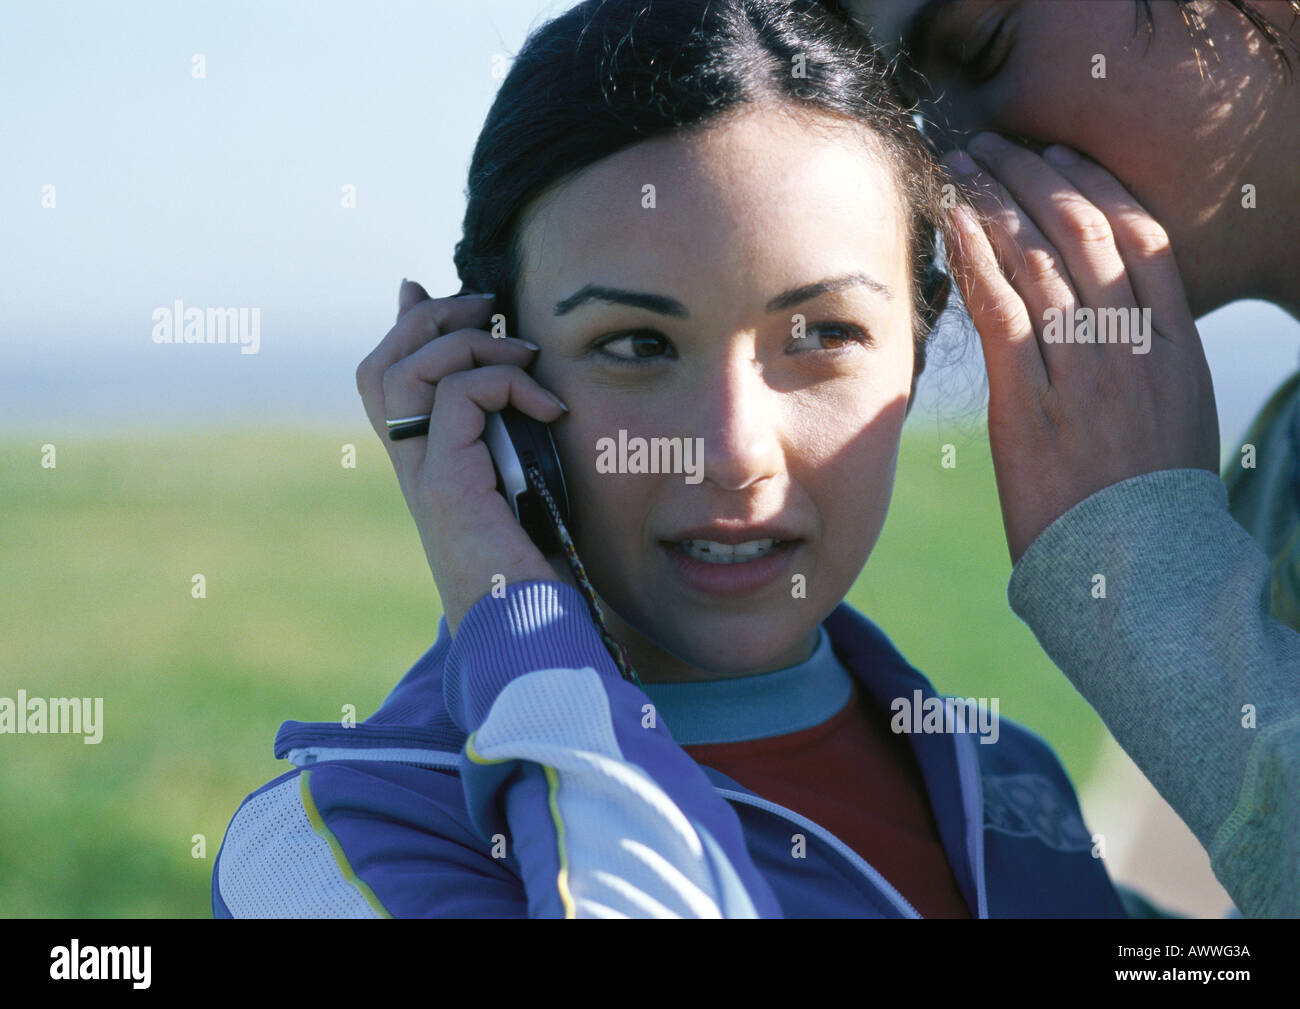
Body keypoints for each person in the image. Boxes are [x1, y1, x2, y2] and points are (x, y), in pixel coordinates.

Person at [212, 0, 1146, 918]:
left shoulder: (1013, 787)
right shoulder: (334, 849)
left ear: (921, 339)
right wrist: (528, 642)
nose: (736, 452)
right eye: (637, 345)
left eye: (824, 332)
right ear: (488, 371)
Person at [825, 0, 1300, 917]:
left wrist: (1142, 561)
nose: (946, 168)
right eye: (911, 115)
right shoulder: (1278, 466)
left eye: (983, 42)